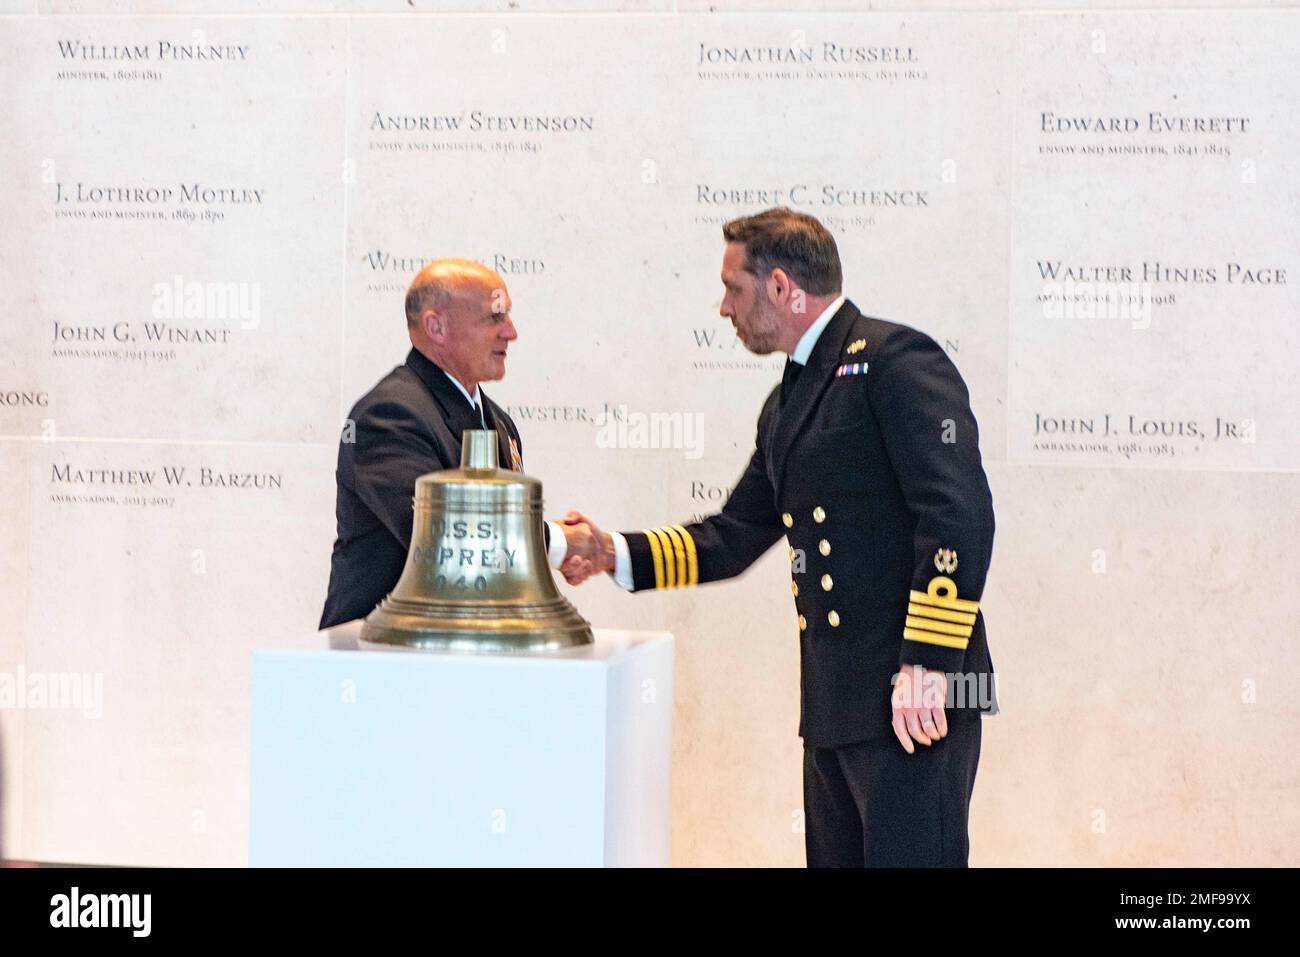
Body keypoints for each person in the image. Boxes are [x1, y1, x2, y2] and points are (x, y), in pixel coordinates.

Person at [563, 208, 997, 867]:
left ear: (780, 286)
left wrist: (928, 662)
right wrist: (612, 552)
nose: (724, 308)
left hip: (915, 698)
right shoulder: (788, 400)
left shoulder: (895, 361)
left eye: (733, 288)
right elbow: (733, 535)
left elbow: (958, 514)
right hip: (835, 703)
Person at [320, 258, 596, 629]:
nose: (511, 332)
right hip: (380, 650)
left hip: (467, 643)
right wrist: (559, 544)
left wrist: (553, 551)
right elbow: (445, 540)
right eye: (495, 317)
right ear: (436, 327)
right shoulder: (387, 416)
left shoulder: (499, 421)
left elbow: (499, 550)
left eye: (508, 316)